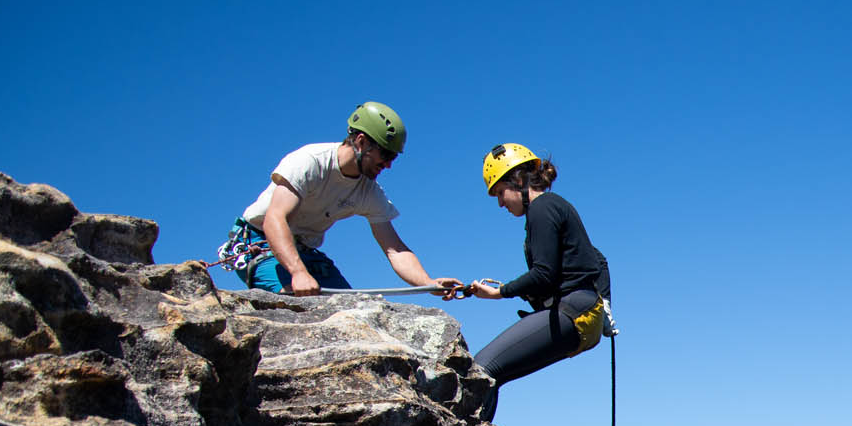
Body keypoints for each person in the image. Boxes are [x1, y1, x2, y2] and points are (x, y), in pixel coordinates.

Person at [217, 102, 461, 298]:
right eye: (385, 155)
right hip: (259, 243)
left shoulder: (369, 191)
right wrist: (298, 273)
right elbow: (274, 219)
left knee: (352, 308)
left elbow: (394, 249)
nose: (388, 165)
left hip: (305, 250)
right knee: (296, 302)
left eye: (393, 158)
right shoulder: (310, 161)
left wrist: (428, 283)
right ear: (361, 141)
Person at [466, 143, 613, 385]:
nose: (501, 203)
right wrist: (605, 303)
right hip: (583, 313)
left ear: (518, 180)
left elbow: (544, 274)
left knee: (481, 369)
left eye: (500, 192)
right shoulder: (555, 206)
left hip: (572, 311)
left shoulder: (541, 208)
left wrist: (499, 292)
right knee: (495, 375)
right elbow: (599, 260)